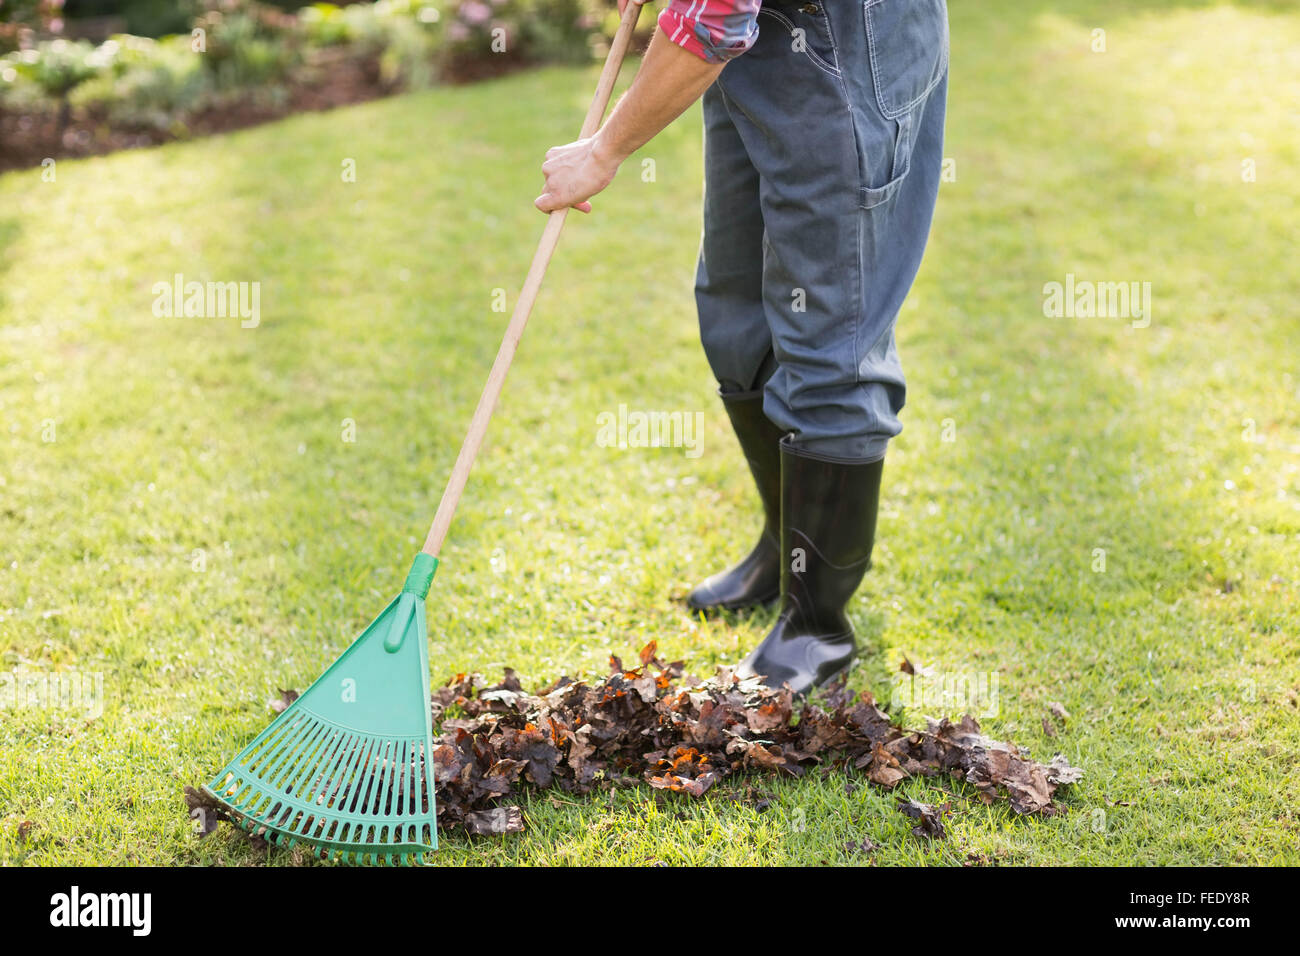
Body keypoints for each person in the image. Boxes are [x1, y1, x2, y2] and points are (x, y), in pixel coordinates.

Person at [536, 0, 949, 694]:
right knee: (738, 309)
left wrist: (604, 150)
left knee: (830, 342)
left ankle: (816, 629)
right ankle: (785, 548)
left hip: (849, 46)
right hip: (766, 44)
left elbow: (714, 21)